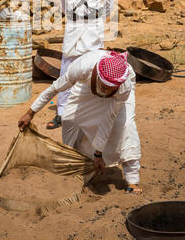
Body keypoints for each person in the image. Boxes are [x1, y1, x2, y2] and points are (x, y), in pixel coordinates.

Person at [18, 49, 142, 194]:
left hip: (118, 91)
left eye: (110, 88)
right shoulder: (82, 68)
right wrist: (30, 113)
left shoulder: (123, 86)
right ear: (96, 73)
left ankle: (132, 180)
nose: (107, 91)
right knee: (69, 119)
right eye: (104, 86)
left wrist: (98, 154)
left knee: (125, 125)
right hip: (87, 86)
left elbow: (109, 119)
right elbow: (53, 89)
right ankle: (74, 166)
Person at [46, 0, 115, 129]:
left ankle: (89, 112)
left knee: (92, 69)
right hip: (73, 26)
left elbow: (109, 4)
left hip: (93, 27)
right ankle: (61, 113)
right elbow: (63, 0)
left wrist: (95, 19)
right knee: (67, 69)